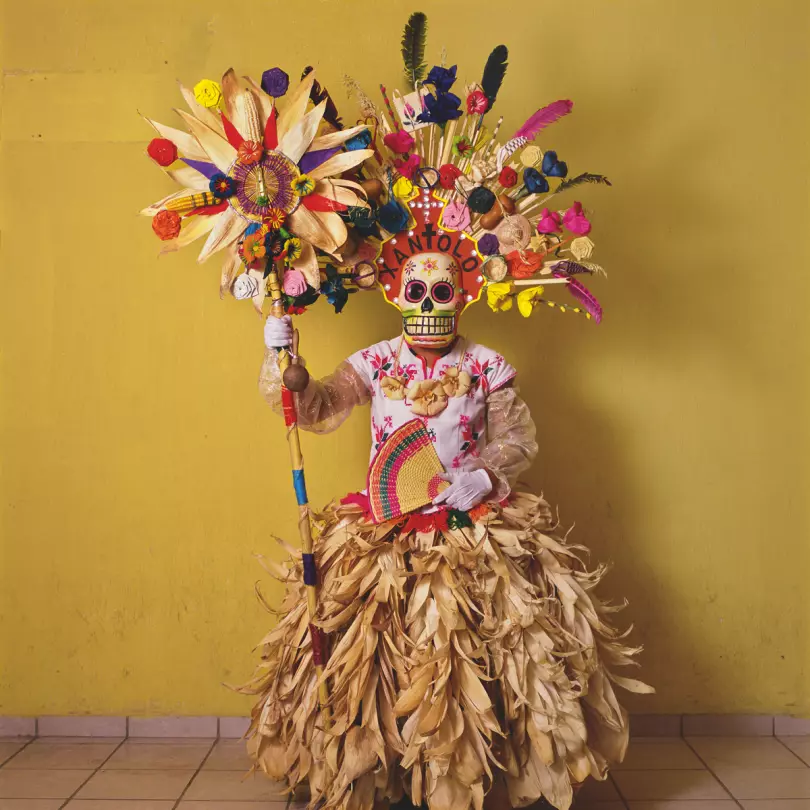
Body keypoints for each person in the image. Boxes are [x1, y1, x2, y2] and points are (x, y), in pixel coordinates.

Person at [243, 252, 648, 810]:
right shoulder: (374, 361)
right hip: (387, 527)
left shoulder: (487, 365)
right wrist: (279, 353)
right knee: (383, 658)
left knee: (490, 655)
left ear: (466, 294)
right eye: (417, 291)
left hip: (473, 524)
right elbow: (313, 408)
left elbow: (516, 438)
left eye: (443, 290)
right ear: (395, 294)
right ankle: (386, 776)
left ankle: (476, 774)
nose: (430, 305)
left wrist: (485, 473)